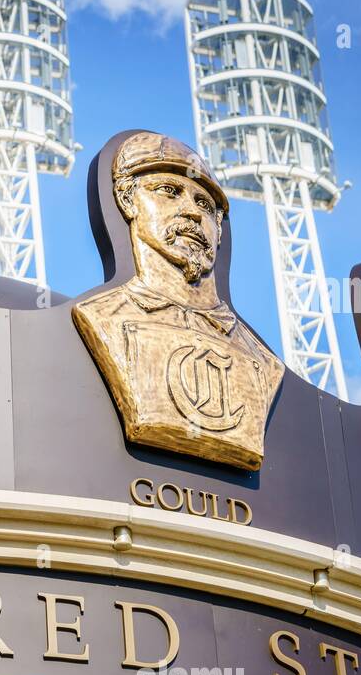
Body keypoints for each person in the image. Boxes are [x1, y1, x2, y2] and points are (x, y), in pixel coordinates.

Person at [73, 132, 283, 471]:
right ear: (127, 201)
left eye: (204, 204)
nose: (192, 212)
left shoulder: (264, 361)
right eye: (168, 192)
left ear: (218, 225)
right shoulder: (100, 317)